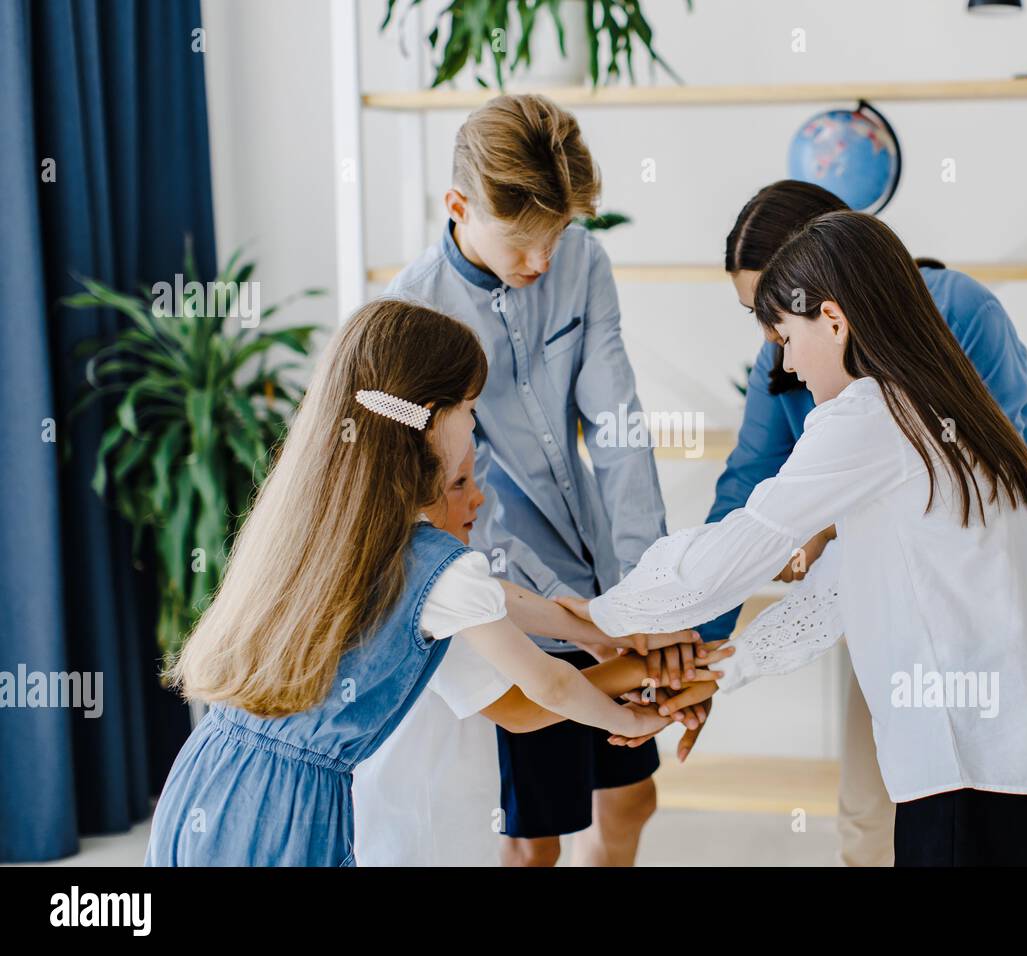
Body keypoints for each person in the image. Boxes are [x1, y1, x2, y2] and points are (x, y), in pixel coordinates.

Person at [573, 211, 1027, 867]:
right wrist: (720, 672)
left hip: (971, 769)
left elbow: (739, 547)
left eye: (785, 337)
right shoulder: (947, 403)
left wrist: (590, 615)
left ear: (832, 318)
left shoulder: (870, 413)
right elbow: (837, 591)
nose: (785, 364)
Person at [145, 300, 671, 867]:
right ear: (430, 416)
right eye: (470, 407)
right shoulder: (434, 560)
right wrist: (634, 719)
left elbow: (487, 599)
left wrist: (596, 626)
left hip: (208, 776)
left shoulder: (324, 523)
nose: (476, 425)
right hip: (289, 814)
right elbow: (551, 686)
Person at [385, 93, 670, 867]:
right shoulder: (411, 314)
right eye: (522, 241)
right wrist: (577, 614)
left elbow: (619, 429)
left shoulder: (581, 261)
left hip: (604, 571)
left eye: (557, 235)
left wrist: (645, 584)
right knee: (533, 839)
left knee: (632, 796)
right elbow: (459, 501)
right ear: (458, 206)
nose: (542, 261)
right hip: (504, 594)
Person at [351, 444, 729, 866]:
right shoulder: (432, 574)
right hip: (410, 816)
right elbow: (530, 700)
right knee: (528, 841)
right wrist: (637, 708)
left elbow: (503, 600)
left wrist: (627, 632)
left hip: (426, 798)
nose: (480, 495)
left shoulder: (411, 551)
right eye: (460, 483)